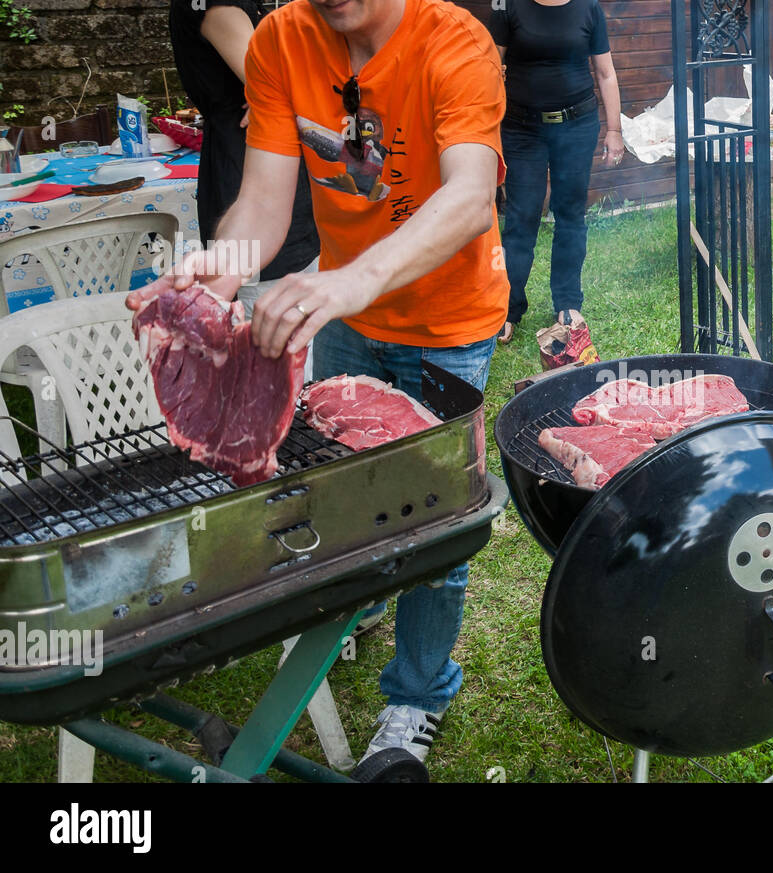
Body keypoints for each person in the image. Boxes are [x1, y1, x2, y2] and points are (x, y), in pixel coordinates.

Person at [129, 0, 509, 767]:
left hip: (448, 320)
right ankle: (355, 605)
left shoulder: (452, 40)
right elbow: (265, 205)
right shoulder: (281, 41)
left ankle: (416, 693)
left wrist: (351, 281)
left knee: (437, 519)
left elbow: (470, 196)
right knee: (336, 491)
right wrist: (223, 265)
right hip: (343, 311)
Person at [489, 0, 624, 344]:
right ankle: (506, 308)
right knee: (521, 216)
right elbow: (488, 67)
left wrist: (614, 130)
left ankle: (567, 303)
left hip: (577, 125)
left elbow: (606, 73)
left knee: (570, 214)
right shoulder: (507, 5)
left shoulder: (588, 7)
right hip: (521, 129)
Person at [167, 0, 319, 306]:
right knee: (271, 309)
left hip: (265, 161)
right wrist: (283, 92)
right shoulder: (216, 4)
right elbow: (268, 81)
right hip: (250, 164)